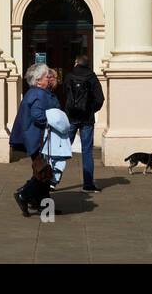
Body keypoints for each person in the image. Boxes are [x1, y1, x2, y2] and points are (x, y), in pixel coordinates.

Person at [10, 63, 60, 216]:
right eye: (47, 76)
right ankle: (23, 195)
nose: (49, 78)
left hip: (41, 139)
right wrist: (56, 121)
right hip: (38, 140)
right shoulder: (38, 95)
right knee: (43, 172)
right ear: (38, 80)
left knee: (44, 173)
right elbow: (38, 116)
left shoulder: (40, 92)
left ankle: (42, 205)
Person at [63, 54, 105, 192]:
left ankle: (52, 180)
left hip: (71, 118)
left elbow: (64, 93)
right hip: (87, 119)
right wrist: (91, 109)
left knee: (62, 148)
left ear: (76, 62)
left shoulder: (69, 75)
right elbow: (100, 98)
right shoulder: (92, 77)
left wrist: (68, 108)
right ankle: (88, 184)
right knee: (87, 151)